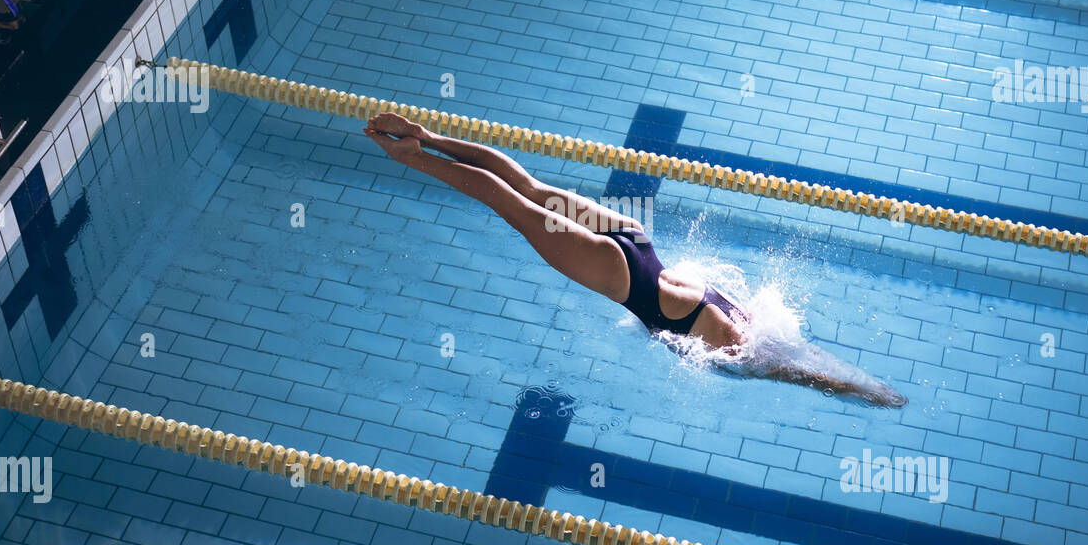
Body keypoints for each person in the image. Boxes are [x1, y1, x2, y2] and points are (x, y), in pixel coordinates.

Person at [365, 113, 907, 407]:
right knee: (508, 204)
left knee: (526, 185)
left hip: (636, 241)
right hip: (617, 273)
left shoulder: (740, 308)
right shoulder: (740, 345)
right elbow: (795, 372)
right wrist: (855, 390)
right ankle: (414, 156)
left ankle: (432, 137)